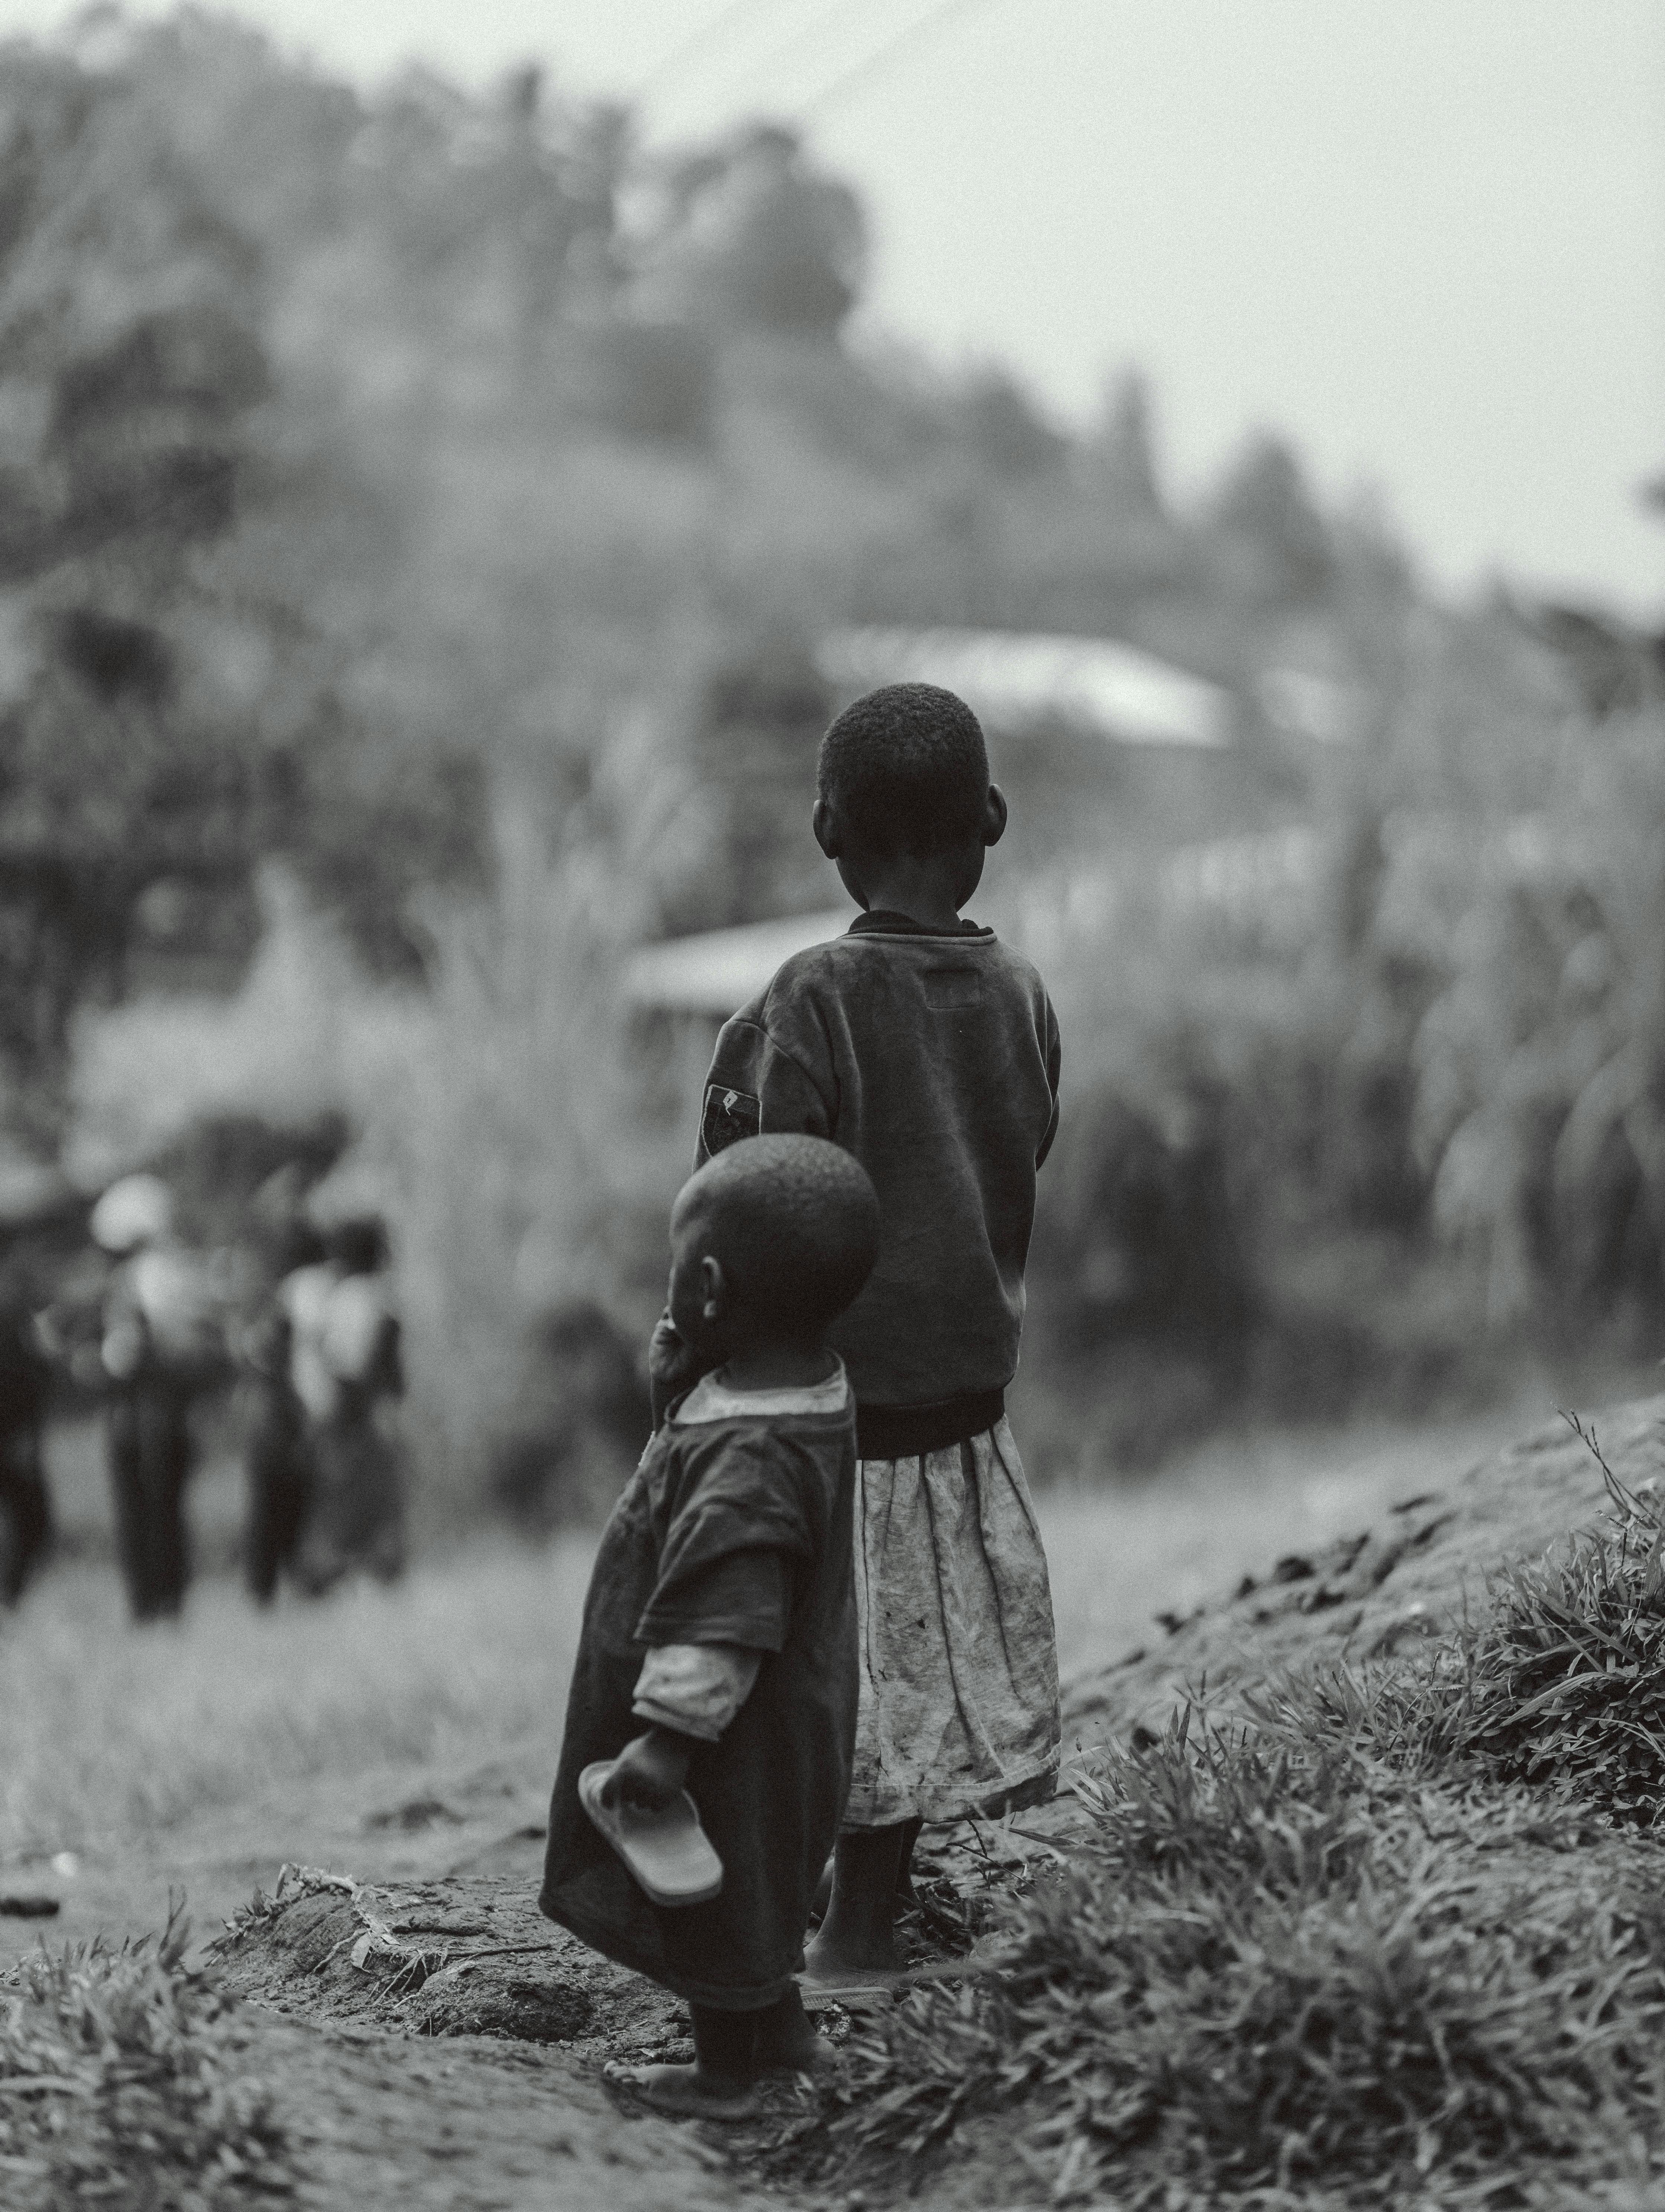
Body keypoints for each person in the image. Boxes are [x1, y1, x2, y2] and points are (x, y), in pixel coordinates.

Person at [663, 680, 1063, 1990]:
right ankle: (857, 1907)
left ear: (827, 828)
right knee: (904, 1658)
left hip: (833, 1402)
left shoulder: (813, 994)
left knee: (832, 1665)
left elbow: (763, 1192)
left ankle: (847, 1938)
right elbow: (1026, 1151)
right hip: (964, 1395)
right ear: (990, 819)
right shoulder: (1021, 993)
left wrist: (695, 1343)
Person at [539, 1135, 879, 2118]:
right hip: (797, 1710)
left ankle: (724, 2076)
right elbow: (696, 1455)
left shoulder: (749, 1458)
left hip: (731, 1732)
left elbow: (728, 1616)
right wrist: (678, 1385)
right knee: (763, 1878)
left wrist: (667, 1745)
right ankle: (787, 2034)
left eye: (676, 1266)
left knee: (717, 1888)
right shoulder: (806, 1382)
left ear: (715, 1286)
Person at [92, 1173, 227, 1622]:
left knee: (139, 1515)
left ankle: (148, 1607)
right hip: (174, 1415)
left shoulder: (134, 1281)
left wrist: (97, 1361)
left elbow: (124, 1354)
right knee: (169, 1512)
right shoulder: (184, 1274)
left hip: (137, 1414)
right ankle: (171, 1603)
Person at [289, 1215, 405, 1595]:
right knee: (353, 1503)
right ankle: (333, 1580)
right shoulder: (364, 1299)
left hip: (331, 1415)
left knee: (340, 1503)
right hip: (351, 1419)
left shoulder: (337, 1297)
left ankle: (336, 1579)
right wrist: (362, 1414)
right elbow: (352, 1365)